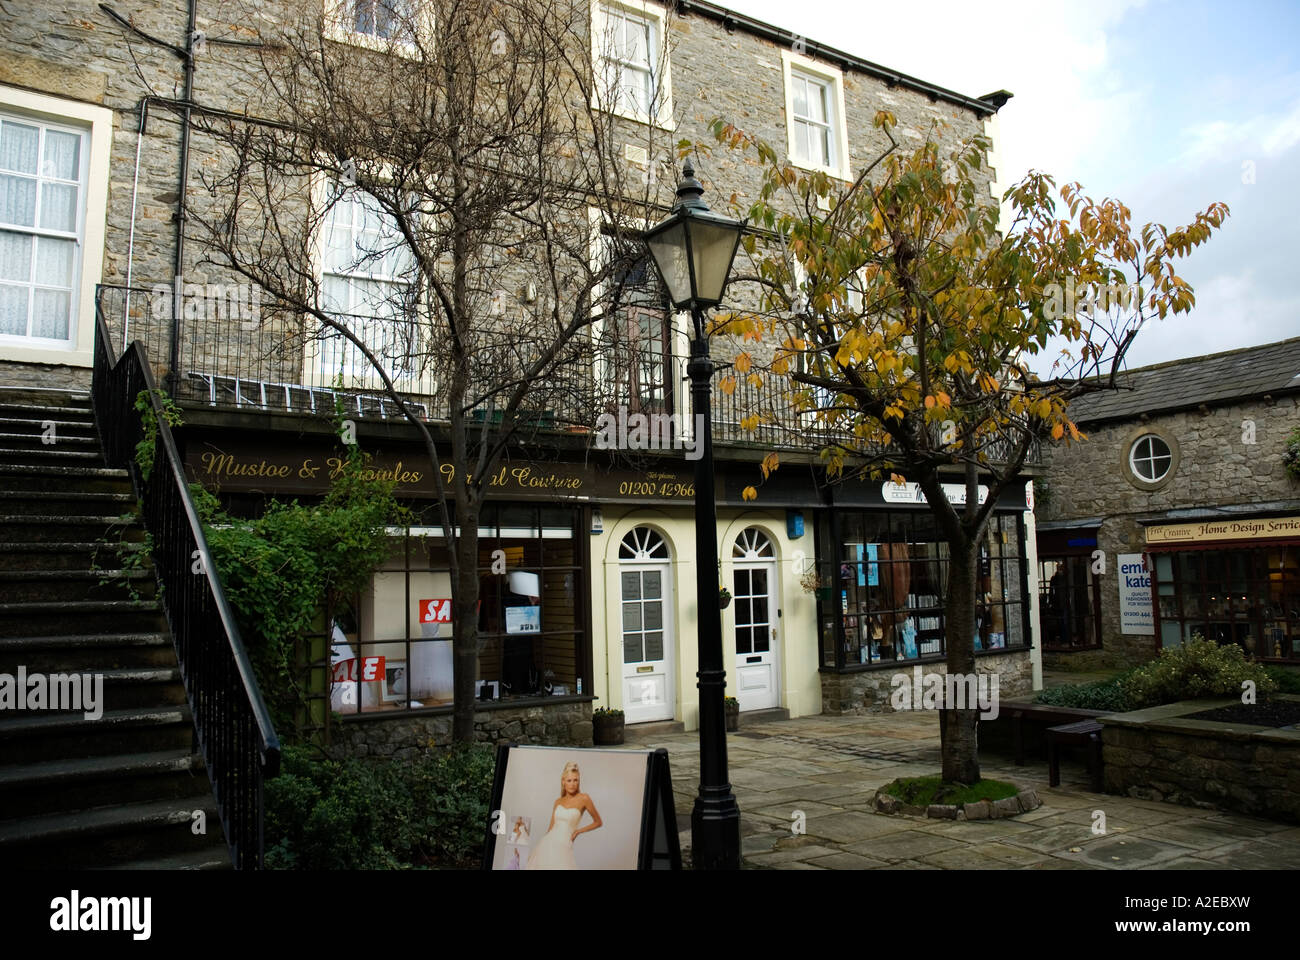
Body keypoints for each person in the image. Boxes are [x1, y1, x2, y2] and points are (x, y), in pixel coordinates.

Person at [525, 761, 602, 870]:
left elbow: (598, 822)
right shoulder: (558, 801)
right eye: (569, 780)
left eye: (576, 780)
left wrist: (578, 831)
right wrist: (537, 850)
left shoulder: (584, 798)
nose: (572, 784)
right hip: (548, 844)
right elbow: (550, 828)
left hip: (564, 845)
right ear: (563, 782)